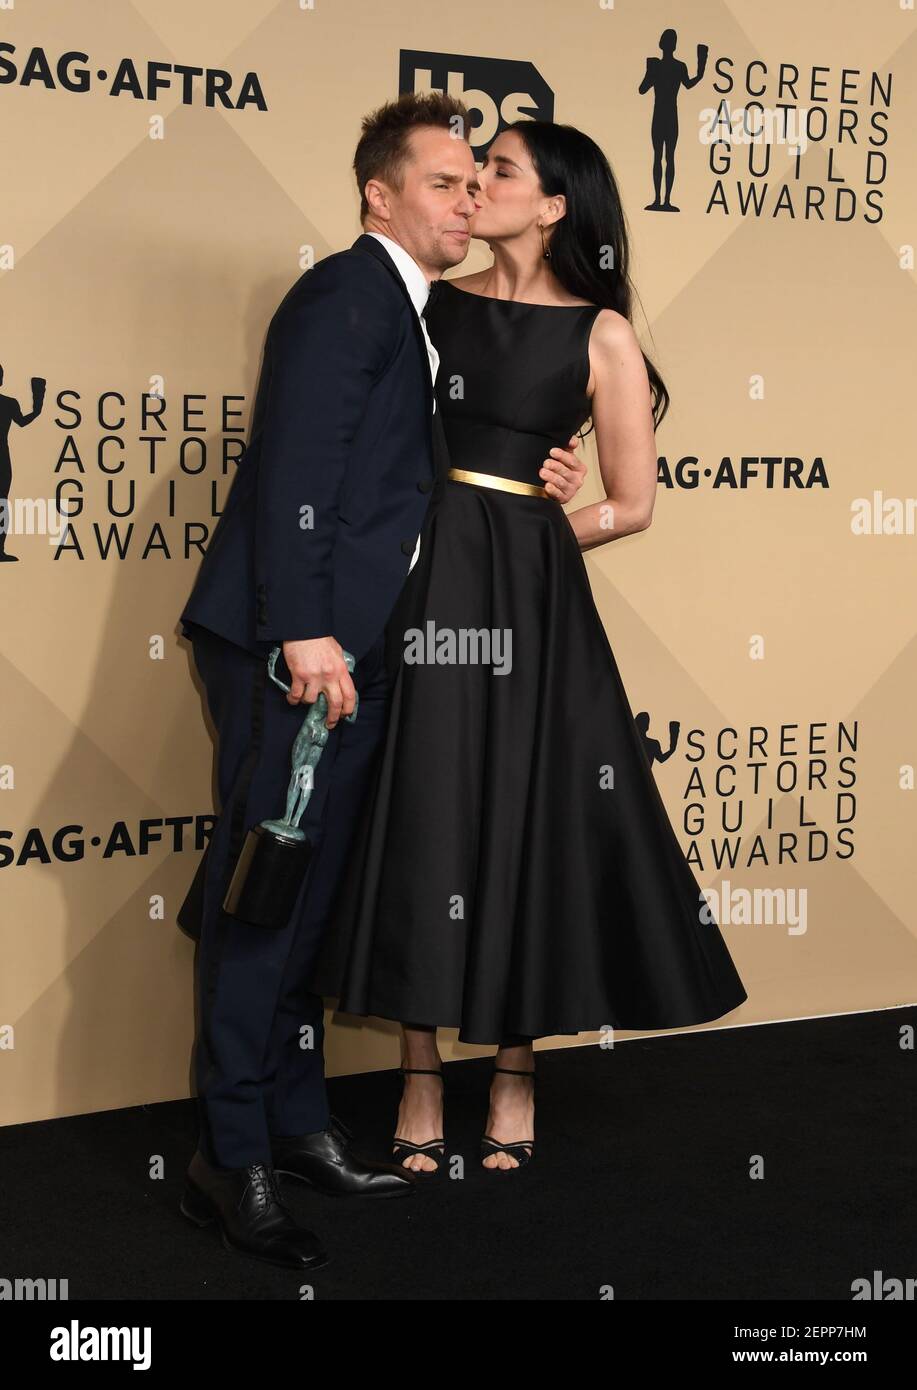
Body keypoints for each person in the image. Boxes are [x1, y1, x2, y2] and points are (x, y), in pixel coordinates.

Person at [175, 94, 588, 1267]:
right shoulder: (341, 297)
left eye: (476, 184)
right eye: (445, 183)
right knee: (266, 901)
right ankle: (229, 1157)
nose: (466, 200)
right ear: (380, 193)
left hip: (357, 651)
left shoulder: (412, 312)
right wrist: (305, 634)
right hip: (292, 652)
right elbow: (297, 474)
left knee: (309, 902)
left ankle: (298, 1125)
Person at [310, 120, 748, 1174]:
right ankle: (418, 1070)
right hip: (419, 582)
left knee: (520, 813)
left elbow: (631, 503)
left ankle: (512, 1067)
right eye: (466, 173)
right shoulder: (426, 300)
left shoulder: (598, 334)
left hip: (524, 602)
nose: (474, 187)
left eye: (497, 172)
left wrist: (546, 521)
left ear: (551, 206)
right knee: (420, 809)